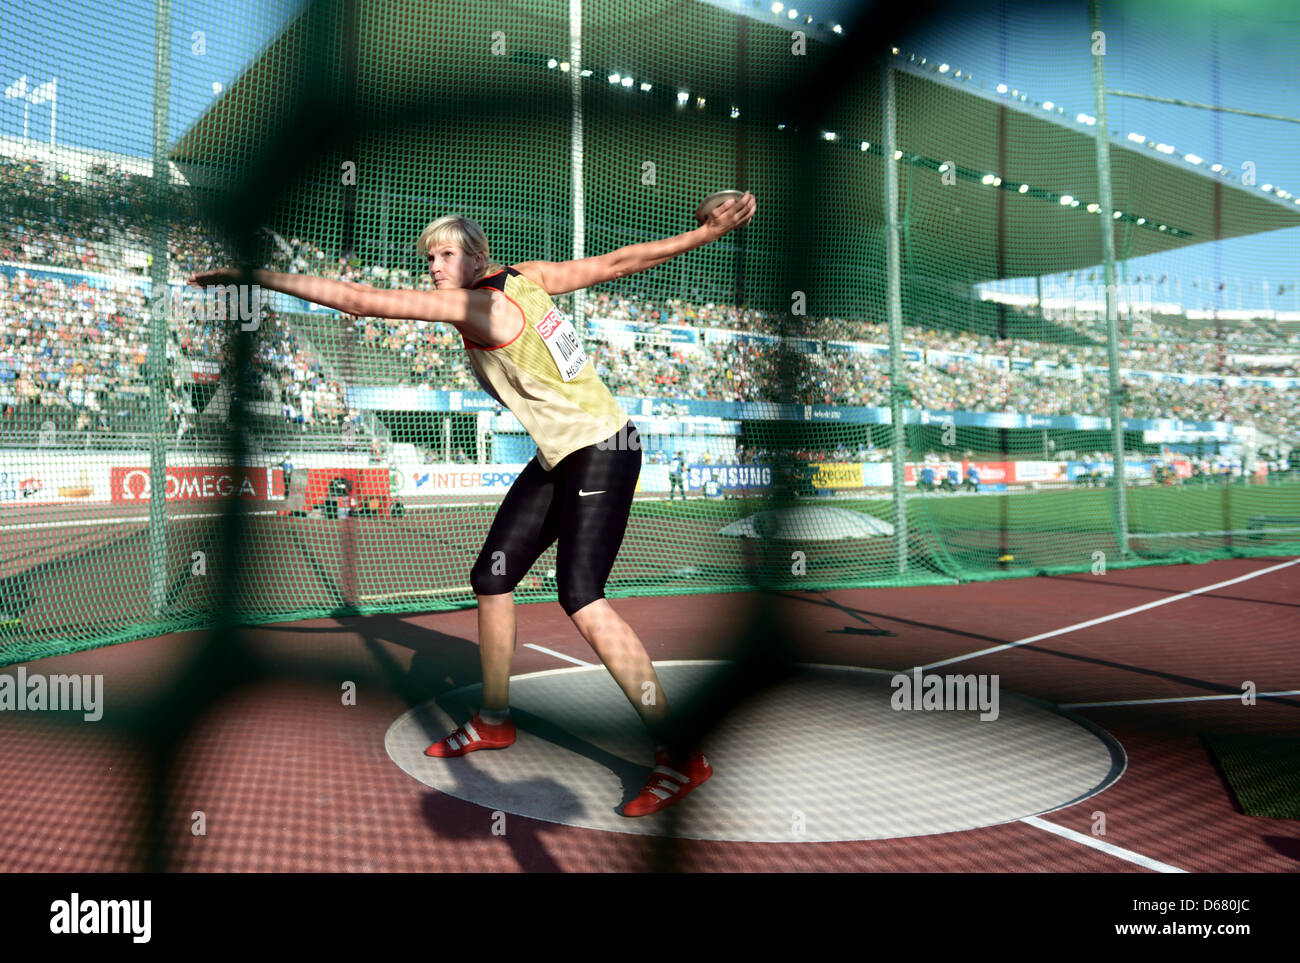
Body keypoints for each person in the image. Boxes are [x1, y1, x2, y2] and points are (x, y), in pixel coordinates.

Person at [188, 192, 757, 817]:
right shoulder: (528, 279)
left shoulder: (480, 305)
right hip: (564, 453)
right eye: (428, 256)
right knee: (491, 576)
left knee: (581, 596)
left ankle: (681, 753)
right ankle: (494, 720)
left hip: (601, 448)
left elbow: (358, 300)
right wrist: (699, 236)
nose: (432, 265)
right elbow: (620, 262)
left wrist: (254, 275)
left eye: (444, 253)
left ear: (475, 256)